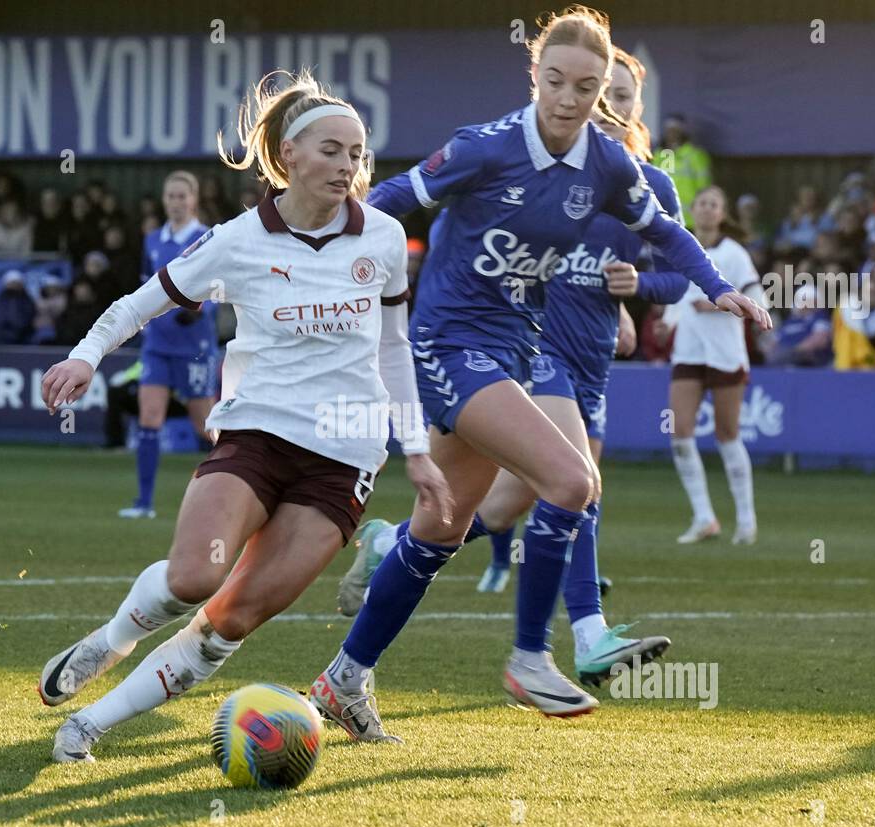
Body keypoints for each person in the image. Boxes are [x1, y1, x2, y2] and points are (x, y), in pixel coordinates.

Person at [315, 5, 770, 735]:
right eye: (555, 80)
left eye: (586, 87)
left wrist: (717, 286)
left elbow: (666, 233)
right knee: (572, 479)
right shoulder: (484, 149)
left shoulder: (609, 165)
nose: (569, 98)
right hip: (448, 343)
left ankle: (344, 678)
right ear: (535, 74)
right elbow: (395, 199)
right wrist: (324, 244)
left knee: (438, 531)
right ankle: (534, 655)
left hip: (512, 352)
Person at [34, 70, 450, 763]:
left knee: (232, 618)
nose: (347, 165)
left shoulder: (381, 236)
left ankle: (89, 726)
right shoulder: (237, 240)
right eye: (332, 150)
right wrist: (85, 356)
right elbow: (141, 303)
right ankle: (108, 641)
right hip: (258, 432)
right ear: (289, 155)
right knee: (195, 575)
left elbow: (394, 347)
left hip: (345, 458)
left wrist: (415, 448)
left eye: (357, 153)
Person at [338, 46, 683, 690]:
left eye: (621, 98)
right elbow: (467, 237)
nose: (604, 107)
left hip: (589, 360)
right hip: (527, 351)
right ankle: (578, 639)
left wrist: (639, 288)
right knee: (574, 482)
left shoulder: (638, 186)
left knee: (493, 511)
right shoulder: (534, 163)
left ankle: (376, 585)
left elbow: (672, 279)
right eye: (598, 94)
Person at [662, 186, 766, 546]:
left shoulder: (734, 254)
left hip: (725, 353)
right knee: (680, 434)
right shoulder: (682, 247)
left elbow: (760, 299)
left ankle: (746, 520)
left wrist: (723, 304)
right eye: (702, 204)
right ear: (693, 209)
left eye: (714, 205)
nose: (707, 210)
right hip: (689, 351)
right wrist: (667, 322)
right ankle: (704, 517)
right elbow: (676, 296)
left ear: (722, 214)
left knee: (727, 434)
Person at [119, 171, 220, 519]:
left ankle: (229, 497)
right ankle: (143, 502)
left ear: (193, 200)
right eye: (171, 196)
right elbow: (145, 286)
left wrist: (203, 308)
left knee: (205, 426)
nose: (176, 203)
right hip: (158, 344)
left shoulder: (207, 238)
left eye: (182, 196)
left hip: (194, 346)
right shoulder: (152, 240)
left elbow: (220, 286)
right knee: (149, 418)